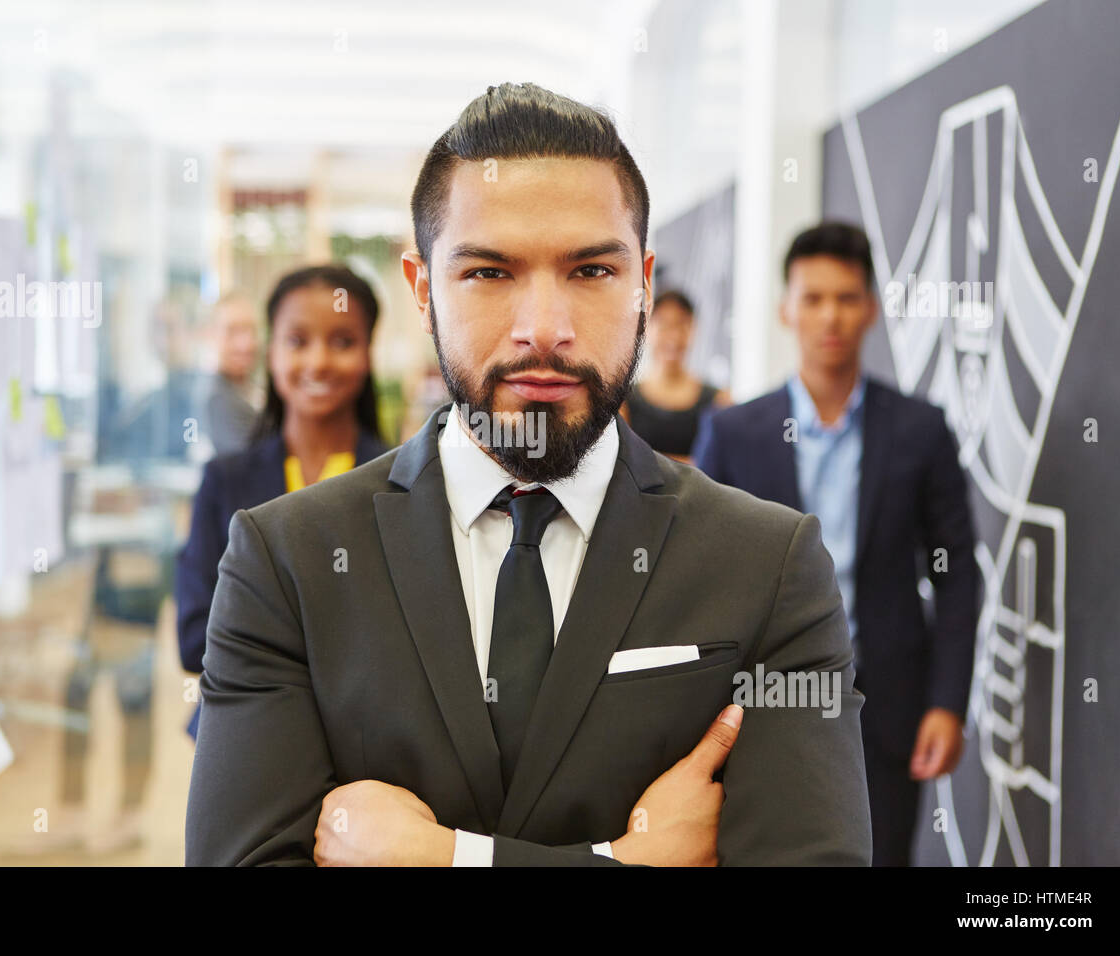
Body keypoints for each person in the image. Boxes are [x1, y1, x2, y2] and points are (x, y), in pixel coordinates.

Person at [186, 83, 871, 866]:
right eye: (488, 273)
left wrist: (444, 859)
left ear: (642, 284)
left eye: (590, 272)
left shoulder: (770, 566)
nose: (544, 329)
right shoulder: (285, 562)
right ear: (423, 290)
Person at [691, 221, 980, 866]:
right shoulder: (735, 433)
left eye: (847, 298)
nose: (831, 316)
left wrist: (946, 701)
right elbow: (698, 574)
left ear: (871, 309)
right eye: (813, 298)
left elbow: (957, 570)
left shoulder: (919, 429)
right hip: (763, 702)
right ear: (785, 310)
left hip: (890, 704)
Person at [175, 265, 391, 740]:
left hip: (369, 749)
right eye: (297, 341)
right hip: (244, 739)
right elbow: (195, 640)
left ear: (368, 353)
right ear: (270, 352)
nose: (318, 362)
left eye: (342, 341)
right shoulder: (224, 482)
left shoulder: (403, 483)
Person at [619, 290, 730, 461]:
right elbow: (622, 460)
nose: (673, 335)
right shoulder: (623, 399)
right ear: (646, 328)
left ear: (693, 330)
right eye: (663, 324)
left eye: (681, 324)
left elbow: (724, 463)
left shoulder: (719, 400)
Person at [200, 292, 260, 456]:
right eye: (232, 331)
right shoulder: (217, 399)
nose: (245, 344)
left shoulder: (253, 388)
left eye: (251, 330)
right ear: (210, 334)